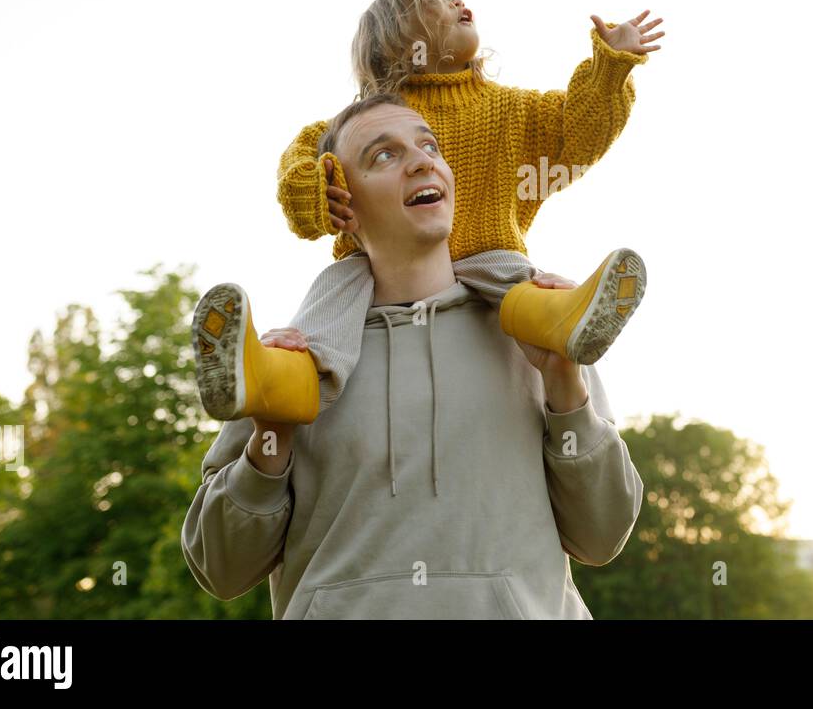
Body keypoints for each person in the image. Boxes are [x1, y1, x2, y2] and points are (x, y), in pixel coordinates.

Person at [181, 94, 645, 618]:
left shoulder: (544, 336)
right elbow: (221, 568)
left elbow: (602, 536)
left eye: (430, 146)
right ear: (343, 204)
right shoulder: (297, 361)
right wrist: (273, 436)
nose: (423, 160)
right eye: (383, 155)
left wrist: (564, 383)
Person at [199, 0, 664, 424]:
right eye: (434, 4)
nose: (458, 3)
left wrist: (610, 68)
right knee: (326, 311)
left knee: (523, 281)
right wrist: (315, 192)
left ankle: (568, 318)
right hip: (375, 270)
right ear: (396, 41)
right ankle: (267, 376)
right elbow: (301, 157)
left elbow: (576, 136)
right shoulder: (368, 121)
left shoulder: (510, 108)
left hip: (489, 255)